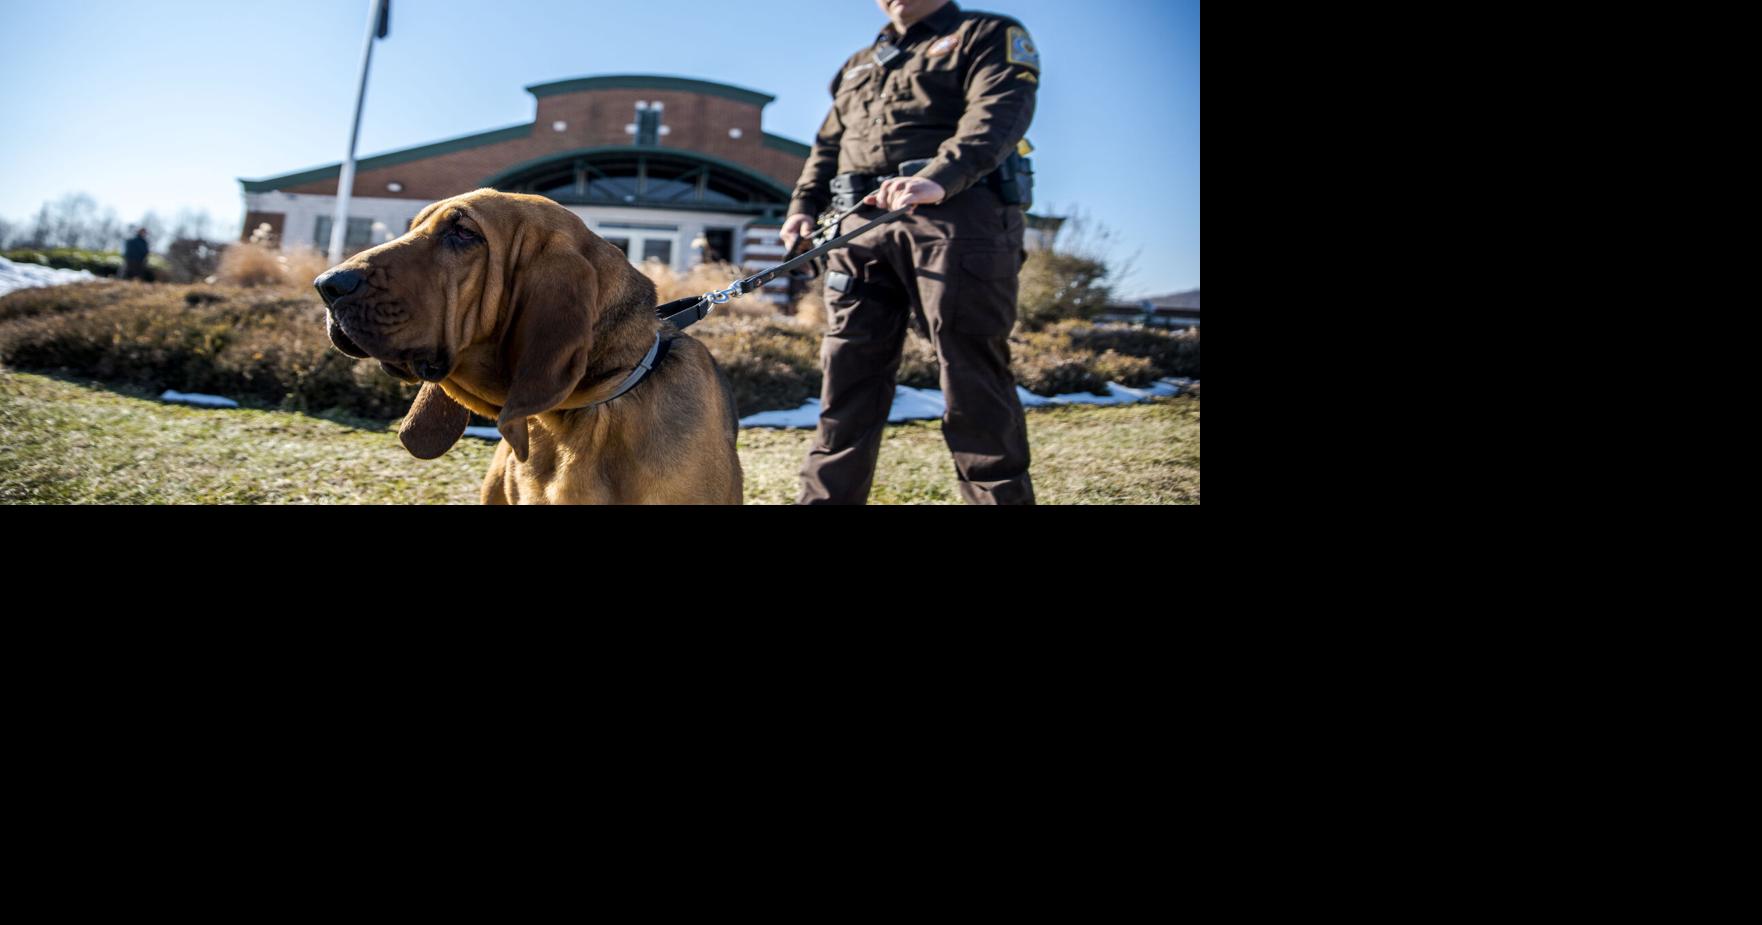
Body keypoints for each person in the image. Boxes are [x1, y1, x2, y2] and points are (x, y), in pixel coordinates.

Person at [783, 0, 1041, 505]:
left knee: (973, 377)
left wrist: (936, 179)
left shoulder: (985, 34)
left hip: (956, 219)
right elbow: (827, 147)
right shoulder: (859, 62)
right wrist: (802, 206)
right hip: (859, 225)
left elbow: (996, 118)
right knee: (846, 377)